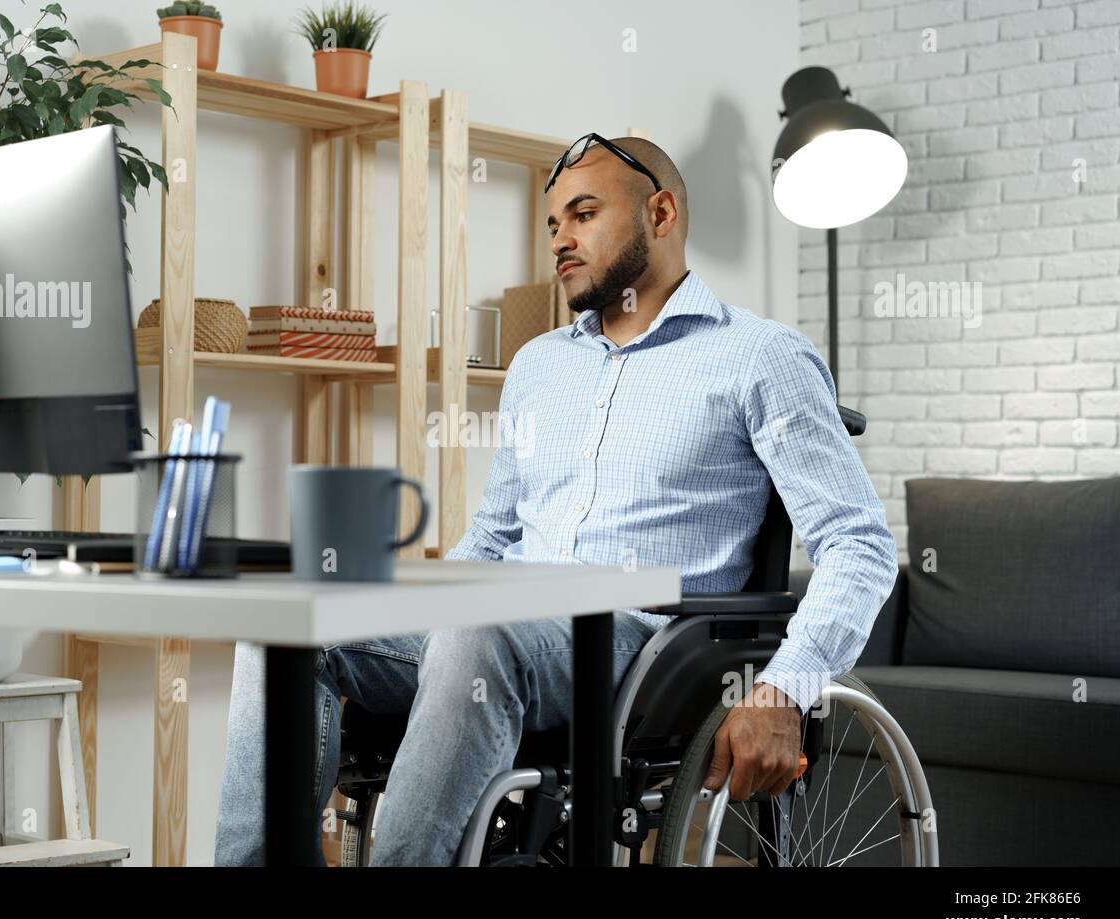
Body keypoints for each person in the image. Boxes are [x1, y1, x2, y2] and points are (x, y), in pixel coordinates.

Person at [214, 134, 898, 866]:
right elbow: (494, 534)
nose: (560, 240)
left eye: (582, 214)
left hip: (641, 646)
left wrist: (784, 691)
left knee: (476, 639)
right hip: (495, 627)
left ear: (660, 212)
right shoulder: (539, 365)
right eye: (552, 224)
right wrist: (395, 598)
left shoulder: (760, 357)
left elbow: (859, 544)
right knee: (285, 625)